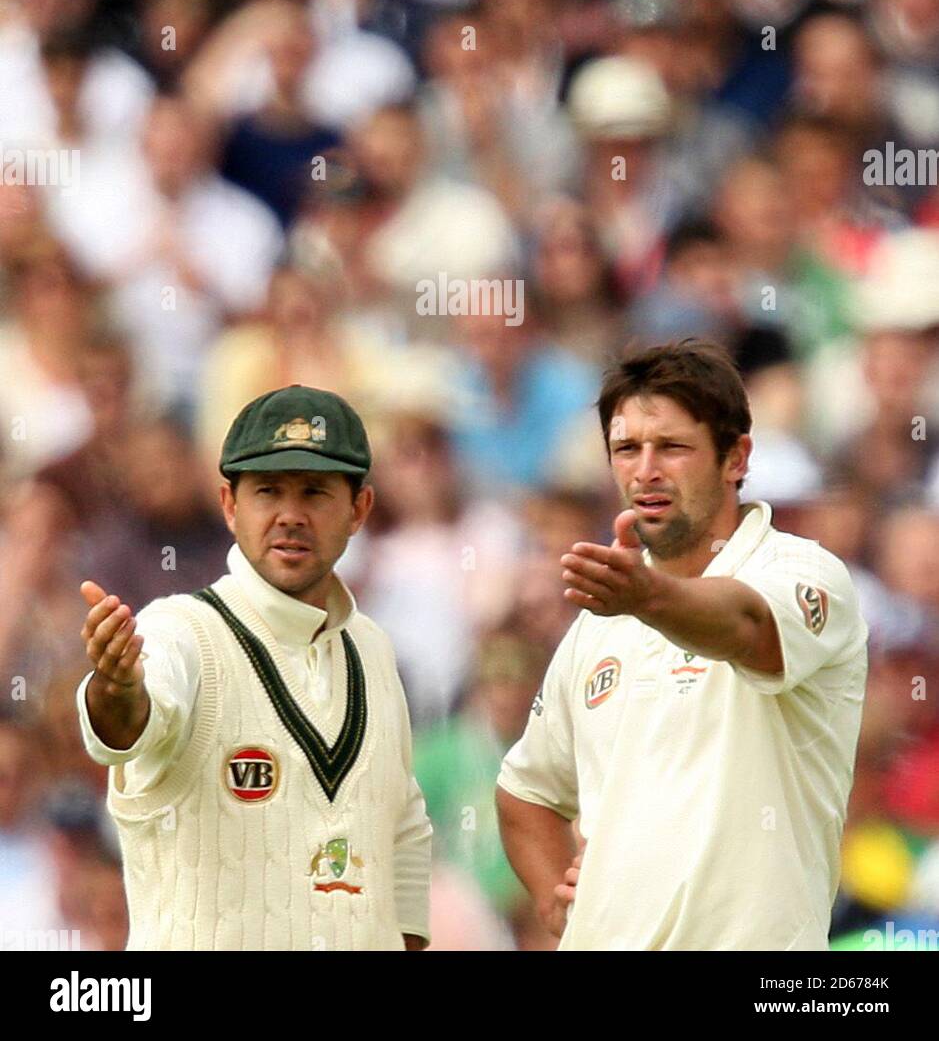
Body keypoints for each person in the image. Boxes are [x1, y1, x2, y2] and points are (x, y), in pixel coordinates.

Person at [496, 338, 868, 950]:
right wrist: (557, 905)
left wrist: (647, 598)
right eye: (626, 449)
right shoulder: (601, 620)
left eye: (671, 447)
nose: (645, 471)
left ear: (736, 457)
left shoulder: (806, 573)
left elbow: (748, 626)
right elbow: (525, 792)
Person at [76, 384, 432, 951]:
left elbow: (404, 831)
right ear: (229, 505)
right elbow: (127, 726)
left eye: (315, 492)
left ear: (360, 509)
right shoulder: (180, 629)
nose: (290, 516)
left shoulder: (374, 650)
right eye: (268, 491)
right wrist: (116, 686)